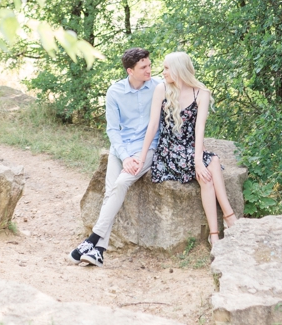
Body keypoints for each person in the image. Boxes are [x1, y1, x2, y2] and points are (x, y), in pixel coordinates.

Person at [126, 50, 238, 253]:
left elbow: (200, 128)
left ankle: (219, 230)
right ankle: (224, 225)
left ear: (179, 70)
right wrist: (142, 157)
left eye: (167, 68)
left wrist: (198, 160)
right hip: (169, 150)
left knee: (209, 168)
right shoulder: (162, 89)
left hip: (189, 148)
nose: (163, 72)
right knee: (209, 171)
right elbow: (153, 126)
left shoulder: (201, 93)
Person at [69, 47, 158, 267]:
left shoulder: (158, 87)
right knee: (110, 192)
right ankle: (99, 252)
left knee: (120, 183)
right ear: (130, 71)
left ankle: (91, 241)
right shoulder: (115, 91)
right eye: (143, 67)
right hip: (121, 149)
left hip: (147, 149)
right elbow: (112, 130)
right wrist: (125, 156)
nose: (149, 70)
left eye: (149, 65)